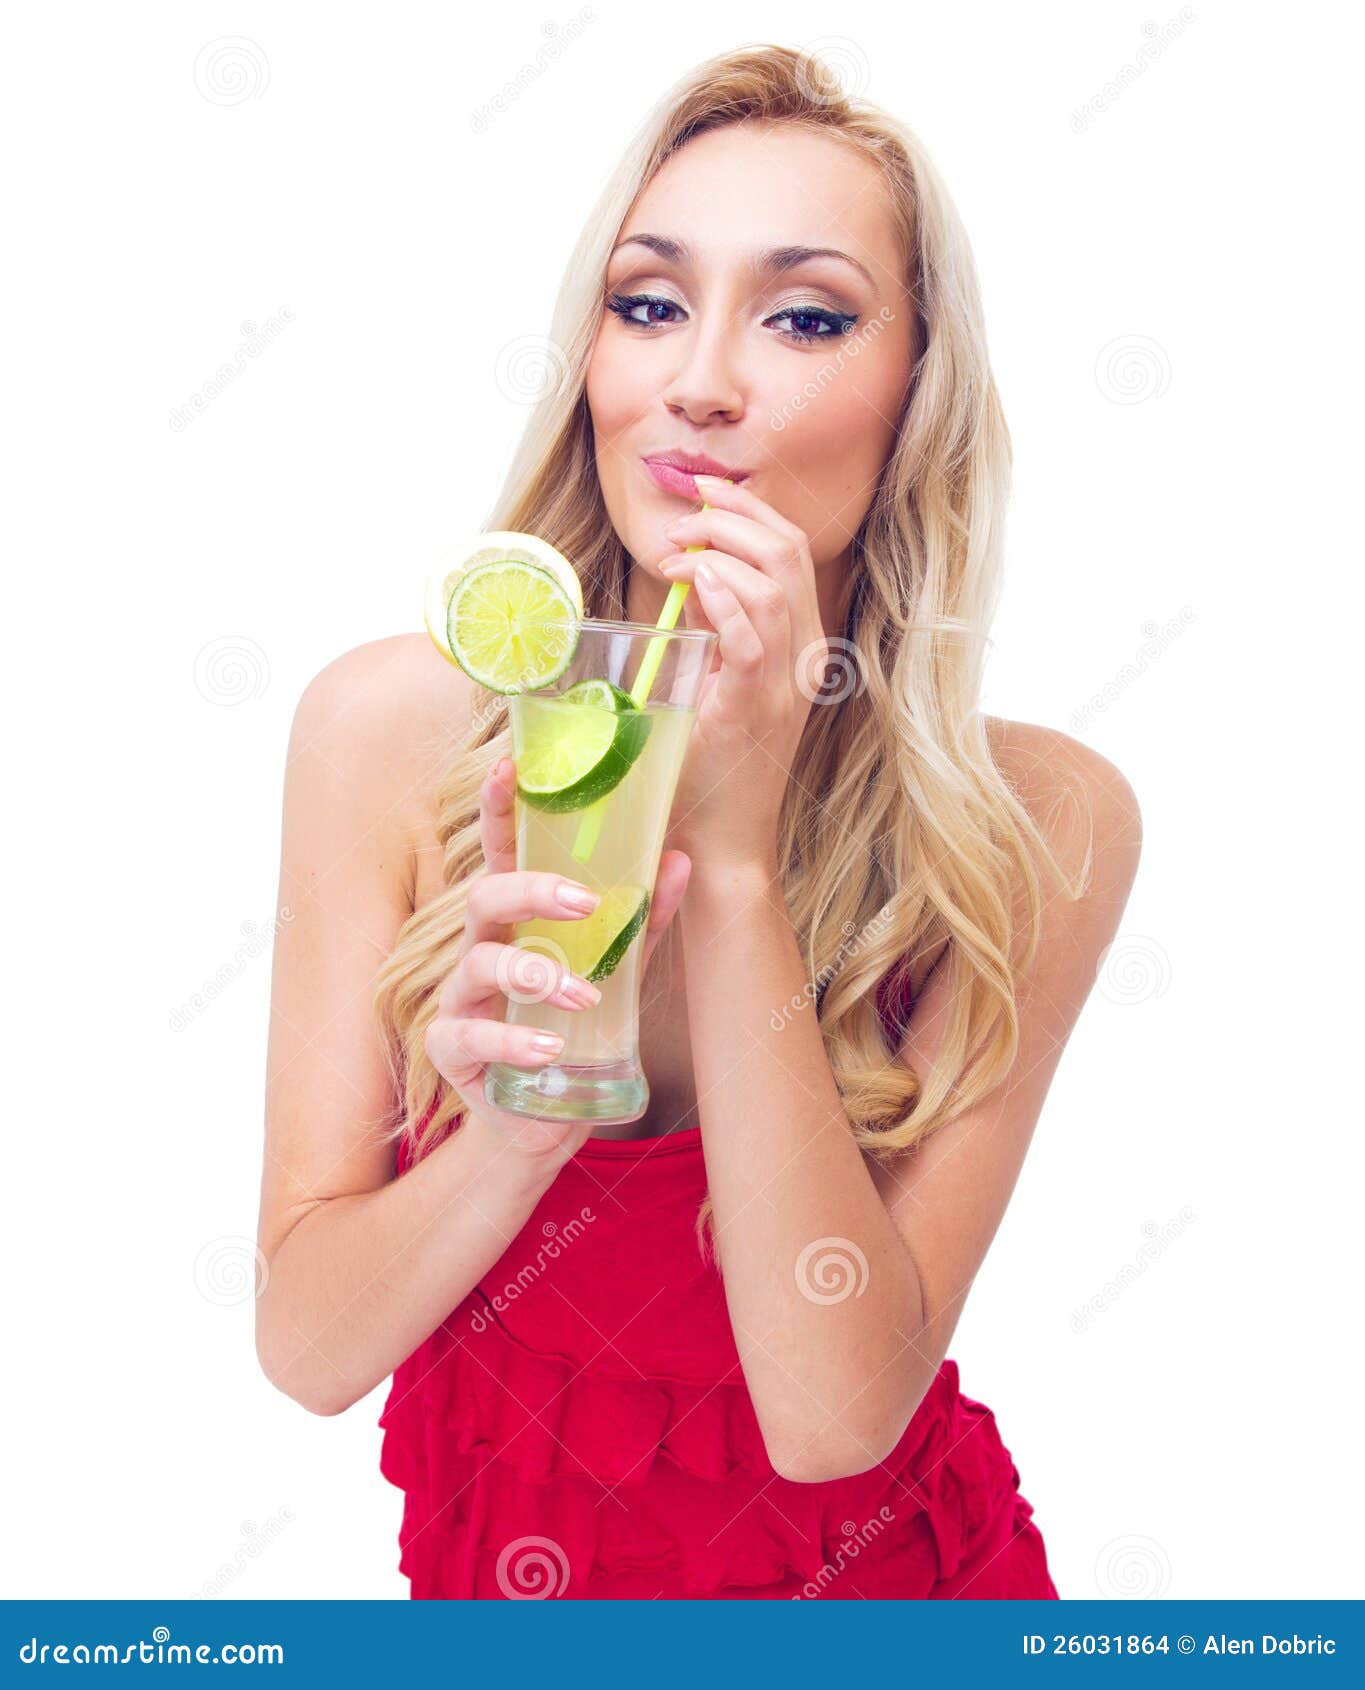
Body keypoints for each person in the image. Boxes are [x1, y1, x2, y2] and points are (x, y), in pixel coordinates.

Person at [256, 43, 1142, 1600]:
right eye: (649, 303)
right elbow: (308, 1351)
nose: (699, 382)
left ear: (914, 392)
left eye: (805, 316)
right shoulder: (388, 733)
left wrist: (729, 868)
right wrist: (508, 1142)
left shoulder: (1039, 821)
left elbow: (830, 1418)